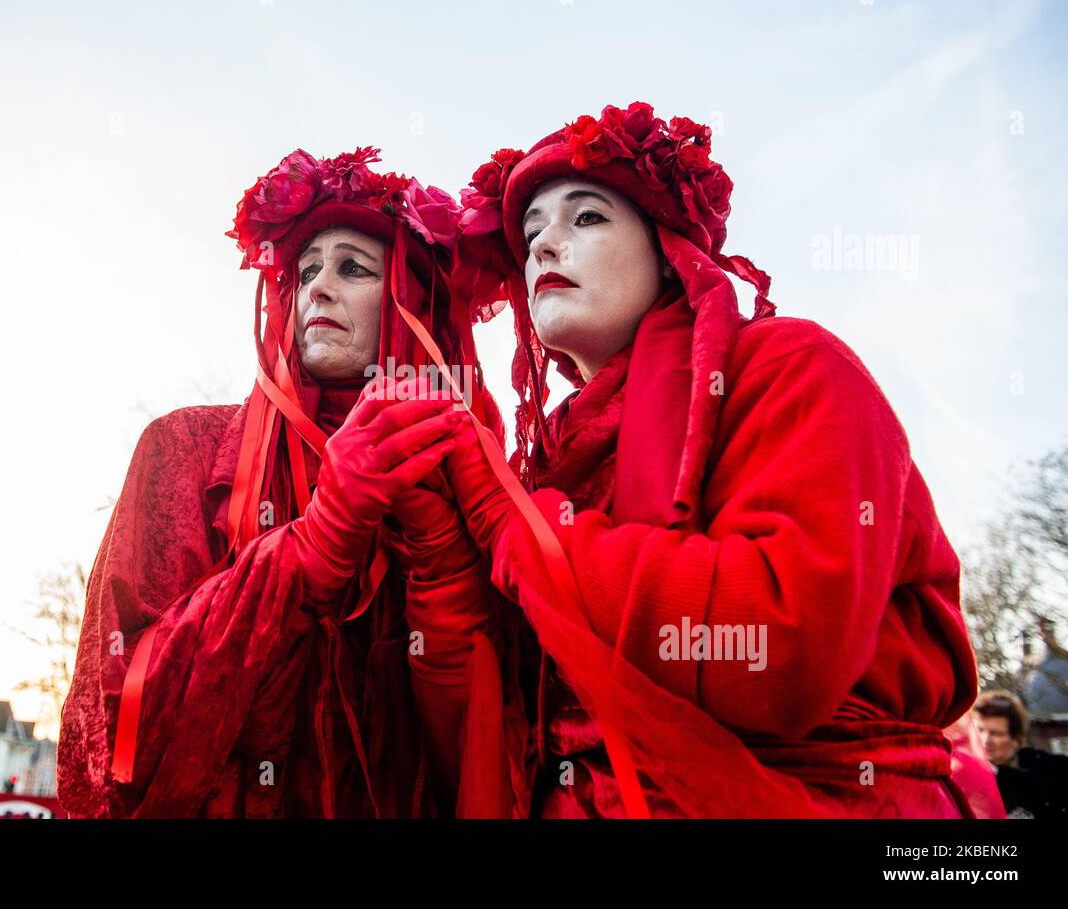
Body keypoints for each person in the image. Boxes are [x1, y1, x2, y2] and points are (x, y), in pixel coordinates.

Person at [392, 101, 982, 817]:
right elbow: (502, 697)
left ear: (671, 249)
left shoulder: (793, 365)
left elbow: (779, 650)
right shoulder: (545, 455)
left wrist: (524, 530)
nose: (544, 247)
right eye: (531, 231)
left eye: (586, 218)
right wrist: (435, 538)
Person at [57, 147, 518, 818]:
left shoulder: (463, 475)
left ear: (415, 301)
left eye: (353, 267)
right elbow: (114, 732)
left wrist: (445, 567)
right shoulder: (184, 448)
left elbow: (483, 768)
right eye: (306, 270)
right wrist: (310, 551)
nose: (318, 287)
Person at [975, 689, 1068, 818]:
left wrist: (998, 773)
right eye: (979, 731)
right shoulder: (963, 774)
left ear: (1016, 739)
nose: (985, 740)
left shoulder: (1053, 767)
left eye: (996, 733)